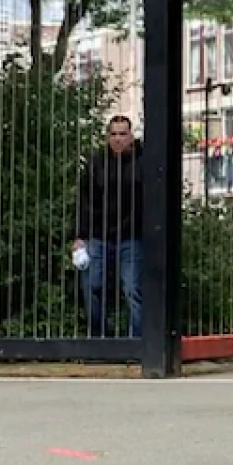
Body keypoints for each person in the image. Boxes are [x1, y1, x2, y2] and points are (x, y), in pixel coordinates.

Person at [73, 115, 144, 339]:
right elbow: (83, 201)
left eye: (123, 134)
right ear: (107, 137)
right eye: (113, 134)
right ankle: (100, 340)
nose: (118, 139)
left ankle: (136, 344)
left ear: (131, 136)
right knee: (92, 287)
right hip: (99, 236)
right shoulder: (97, 163)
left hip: (132, 236)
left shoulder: (143, 162)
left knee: (133, 290)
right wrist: (78, 237)